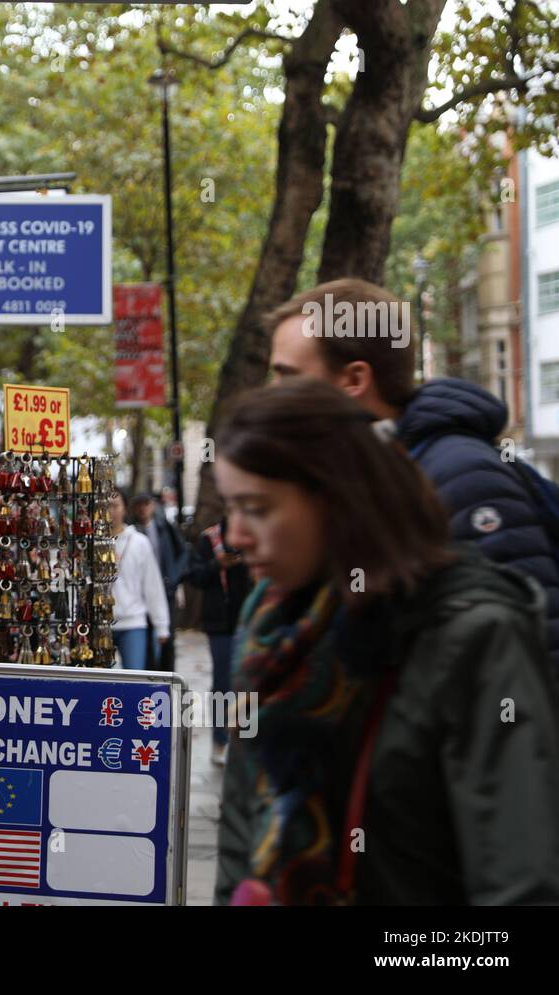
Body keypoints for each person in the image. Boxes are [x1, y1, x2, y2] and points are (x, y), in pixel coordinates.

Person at [213, 378, 559, 905]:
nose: (235, 537)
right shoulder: (270, 630)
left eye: (256, 509)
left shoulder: (473, 633)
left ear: (337, 498)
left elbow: (520, 883)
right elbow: (243, 828)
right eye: (230, 509)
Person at [266, 277, 559, 677]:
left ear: (354, 380)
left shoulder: (462, 476)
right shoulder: (359, 481)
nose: (272, 393)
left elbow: (534, 657)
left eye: (287, 375)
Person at [184, 517, 252, 765]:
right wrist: (217, 564)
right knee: (223, 682)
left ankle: (245, 740)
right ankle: (220, 740)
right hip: (220, 623)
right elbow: (194, 576)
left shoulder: (253, 535)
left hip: (249, 620)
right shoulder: (208, 539)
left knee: (249, 683)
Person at [108, 488, 170, 670]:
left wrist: (161, 625)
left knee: (134, 679)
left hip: (133, 622)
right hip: (100, 624)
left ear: (125, 509)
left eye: (115, 506)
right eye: (106, 506)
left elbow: (152, 584)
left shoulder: (139, 542)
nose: (110, 511)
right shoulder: (91, 541)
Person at [130, 493, 186, 668]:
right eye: (138, 504)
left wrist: (174, 577)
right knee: (145, 639)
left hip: (166, 589)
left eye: (146, 504)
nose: (142, 509)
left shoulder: (164, 528)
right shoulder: (132, 532)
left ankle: (166, 677)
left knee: (166, 637)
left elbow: (183, 552)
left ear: (152, 506)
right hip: (140, 595)